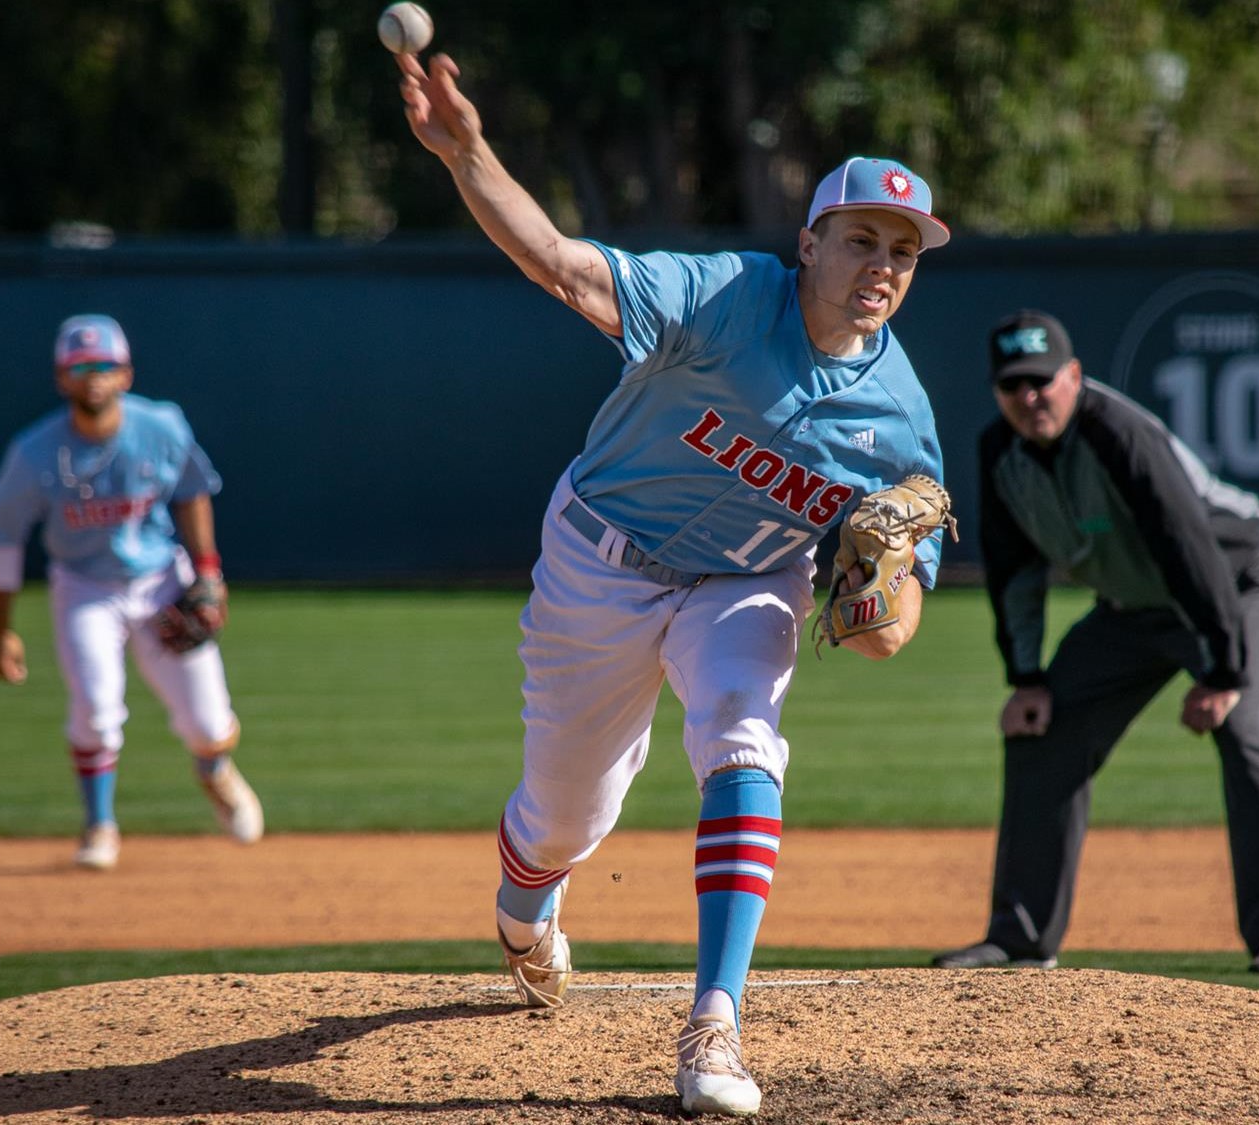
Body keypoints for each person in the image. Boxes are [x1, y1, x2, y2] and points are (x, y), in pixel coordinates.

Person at [395, 50, 953, 1117]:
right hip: (597, 560)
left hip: (743, 585)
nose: (881, 264)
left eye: (902, 251)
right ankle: (526, 912)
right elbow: (562, 266)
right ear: (809, 243)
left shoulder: (899, 420)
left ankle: (714, 1024)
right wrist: (468, 155)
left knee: (745, 740)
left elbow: (888, 632)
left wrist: (878, 592)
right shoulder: (727, 299)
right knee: (564, 818)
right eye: (860, 240)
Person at [932, 309, 1259, 976]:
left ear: (1074, 376)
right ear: (996, 391)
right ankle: (1021, 937)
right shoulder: (1001, 454)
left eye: (1042, 381)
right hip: (1132, 609)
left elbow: (1187, 547)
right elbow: (1015, 574)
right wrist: (1026, 678)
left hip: (1234, 582)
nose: (1029, 397)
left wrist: (1224, 669)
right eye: (1013, 384)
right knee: (1040, 729)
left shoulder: (1118, 433)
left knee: (1243, 728)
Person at [0, 314, 264, 872]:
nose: (94, 377)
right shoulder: (35, 452)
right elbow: (2, 540)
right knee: (96, 710)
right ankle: (100, 826)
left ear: (126, 373)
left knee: (208, 725)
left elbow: (193, 492)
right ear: (61, 378)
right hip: (85, 588)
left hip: (160, 582)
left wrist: (208, 574)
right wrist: (2, 631)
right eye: (80, 368)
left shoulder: (161, 425)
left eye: (104, 365)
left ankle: (214, 771)